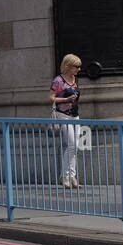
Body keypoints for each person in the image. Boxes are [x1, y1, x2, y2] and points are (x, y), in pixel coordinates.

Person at [51, 54, 83, 189]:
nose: (79, 69)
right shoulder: (58, 80)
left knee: (75, 146)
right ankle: (65, 176)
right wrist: (66, 100)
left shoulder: (74, 79)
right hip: (63, 115)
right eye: (77, 66)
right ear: (68, 66)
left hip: (75, 115)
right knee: (71, 145)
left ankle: (72, 176)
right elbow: (51, 97)